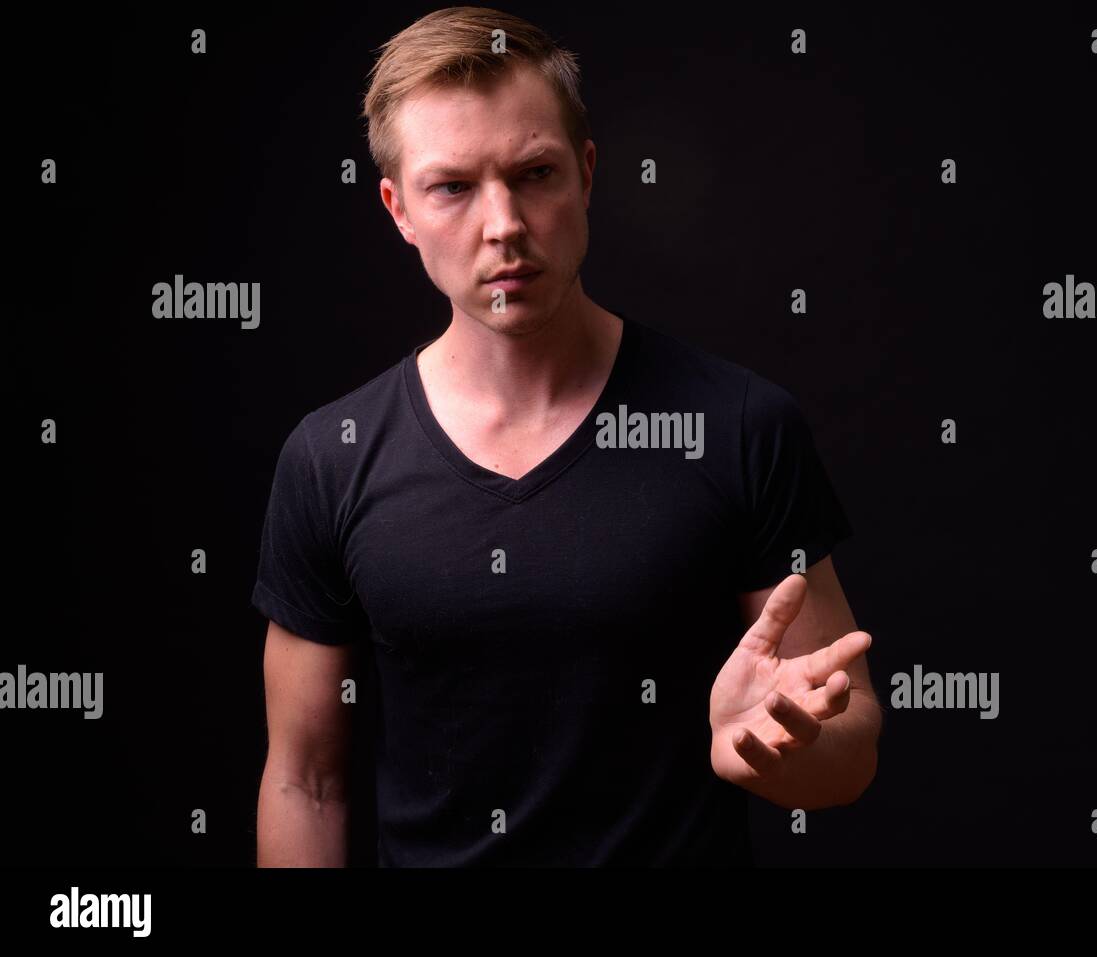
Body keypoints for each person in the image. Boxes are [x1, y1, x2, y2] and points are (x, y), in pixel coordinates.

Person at [252, 6, 882, 867]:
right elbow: (304, 779)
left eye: (534, 173)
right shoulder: (331, 458)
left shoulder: (738, 425)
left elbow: (849, 761)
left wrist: (779, 747)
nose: (504, 223)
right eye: (453, 187)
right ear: (398, 209)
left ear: (586, 174)